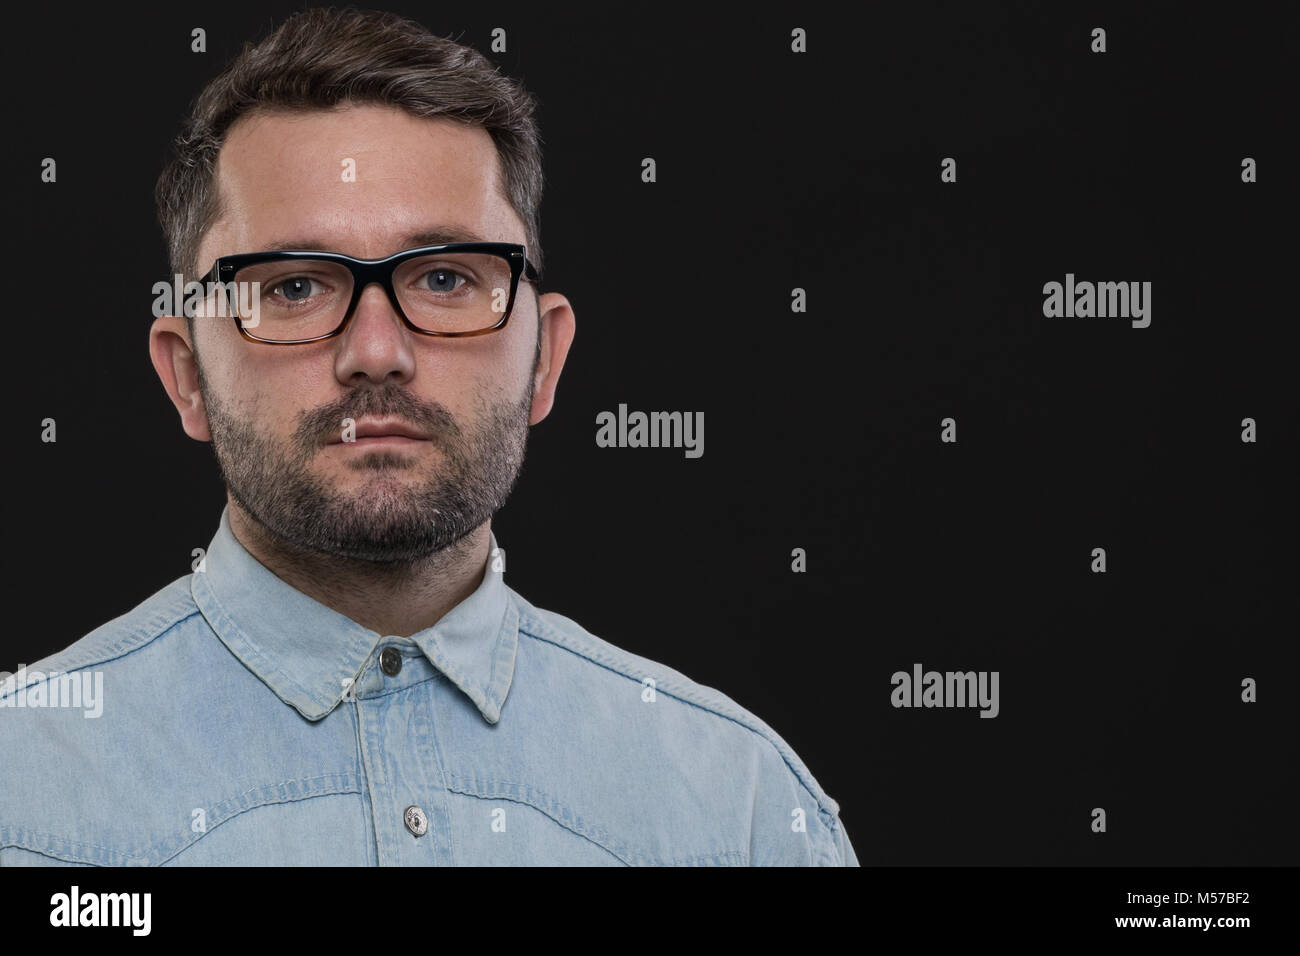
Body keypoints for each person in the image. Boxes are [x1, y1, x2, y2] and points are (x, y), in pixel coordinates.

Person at [0, 7, 857, 866]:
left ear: (545, 360)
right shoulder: (20, 790)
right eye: (295, 287)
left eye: (447, 277)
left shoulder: (741, 812)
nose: (377, 352)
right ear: (186, 374)